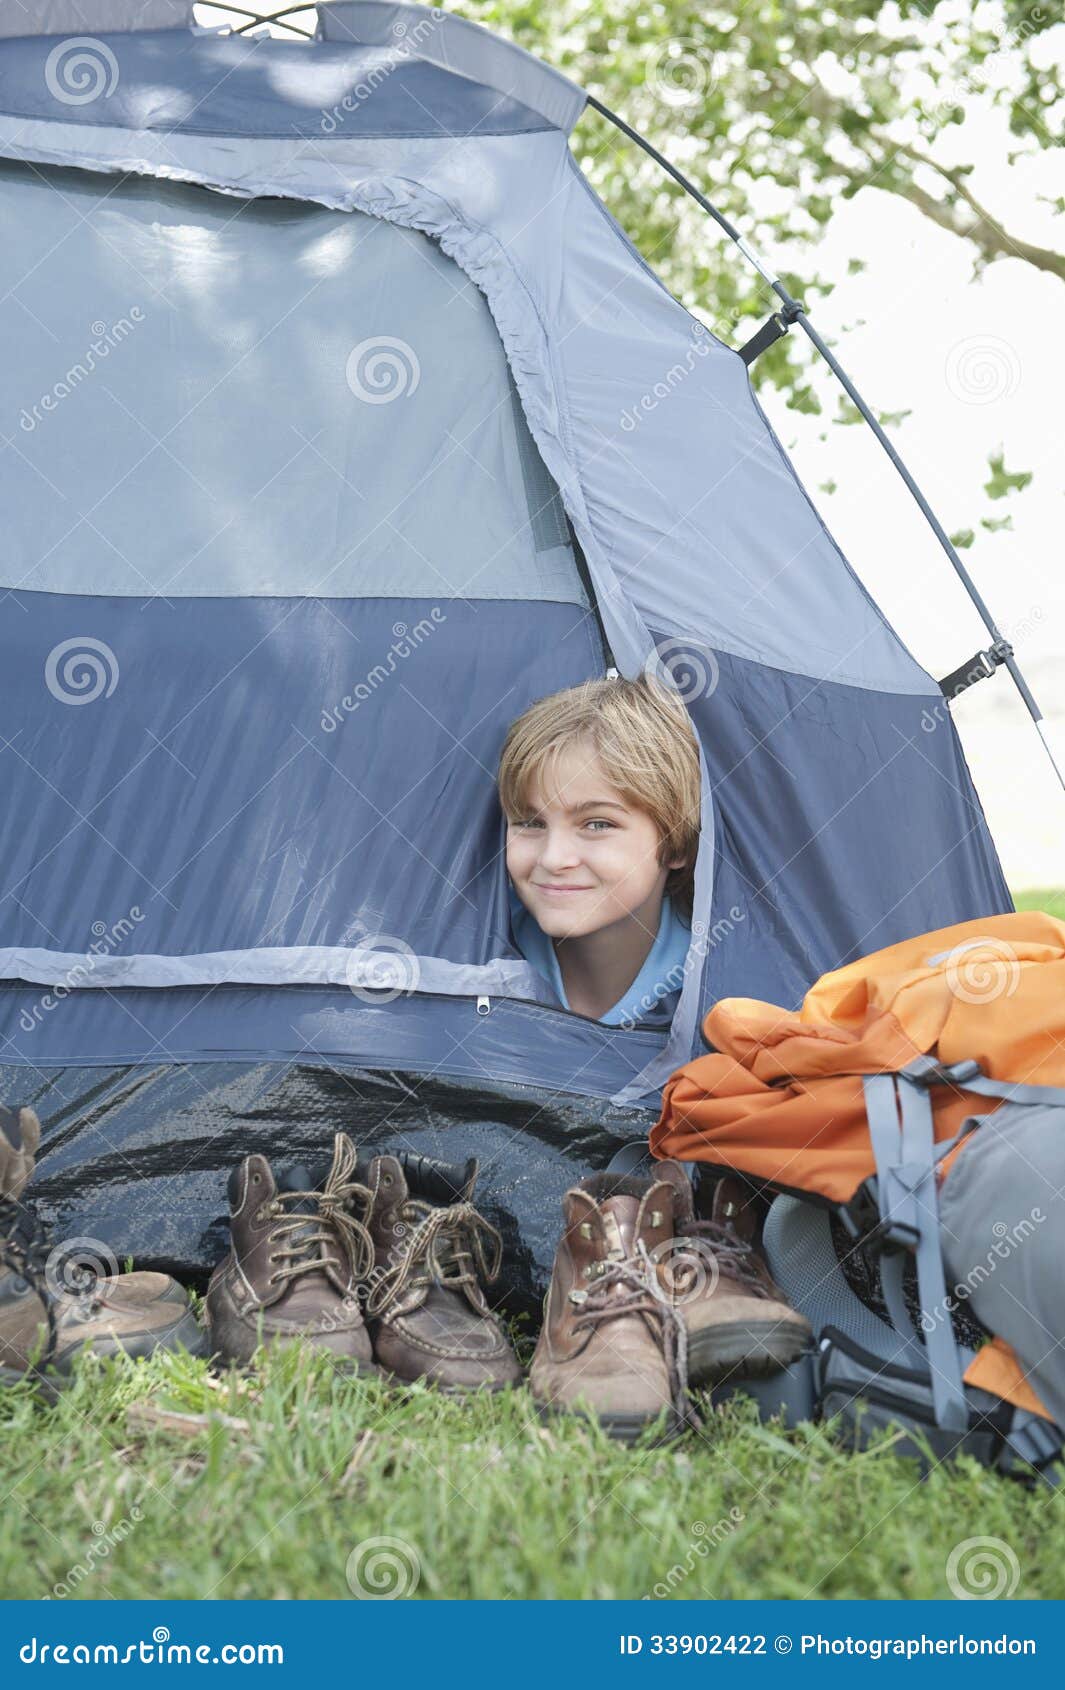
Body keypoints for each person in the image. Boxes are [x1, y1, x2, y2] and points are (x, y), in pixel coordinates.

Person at [498, 675, 700, 1029]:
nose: (553, 859)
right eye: (531, 823)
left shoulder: (716, 977)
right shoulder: (484, 949)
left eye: (597, 825)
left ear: (676, 842)